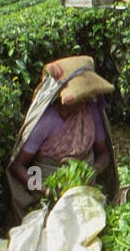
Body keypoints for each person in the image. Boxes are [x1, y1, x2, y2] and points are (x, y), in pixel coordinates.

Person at [7, 56, 120, 223]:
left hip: (84, 194)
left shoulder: (92, 112)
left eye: (86, 98)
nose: (85, 102)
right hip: (47, 197)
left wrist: (92, 171)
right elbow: (19, 166)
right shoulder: (46, 121)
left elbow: (104, 155)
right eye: (80, 99)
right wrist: (45, 191)